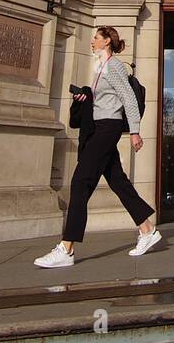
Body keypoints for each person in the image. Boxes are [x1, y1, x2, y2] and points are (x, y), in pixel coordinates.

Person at [35, 26, 159, 267]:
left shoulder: (114, 66)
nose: (92, 41)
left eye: (96, 38)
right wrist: (85, 95)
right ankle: (147, 229)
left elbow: (129, 100)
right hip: (98, 128)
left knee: (81, 182)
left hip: (107, 129)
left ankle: (66, 248)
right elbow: (103, 98)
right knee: (117, 180)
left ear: (106, 42)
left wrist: (135, 132)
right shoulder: (101, 66)